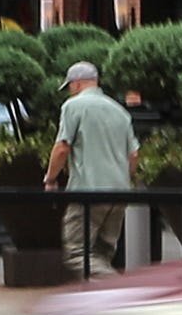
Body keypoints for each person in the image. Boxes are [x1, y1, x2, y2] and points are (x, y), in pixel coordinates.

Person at [44, 59, 137, 278]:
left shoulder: (73, 106)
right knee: (102, 253)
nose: (69, 92)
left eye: (69, 87)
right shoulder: (120, 111)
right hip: (119, 193)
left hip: (88, 190)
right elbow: (134, 154)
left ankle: (119, 288)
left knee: (77, 251)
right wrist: (125, 178)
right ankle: (102, 303)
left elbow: (62, 148)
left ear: (76, 84)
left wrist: (50, 178)